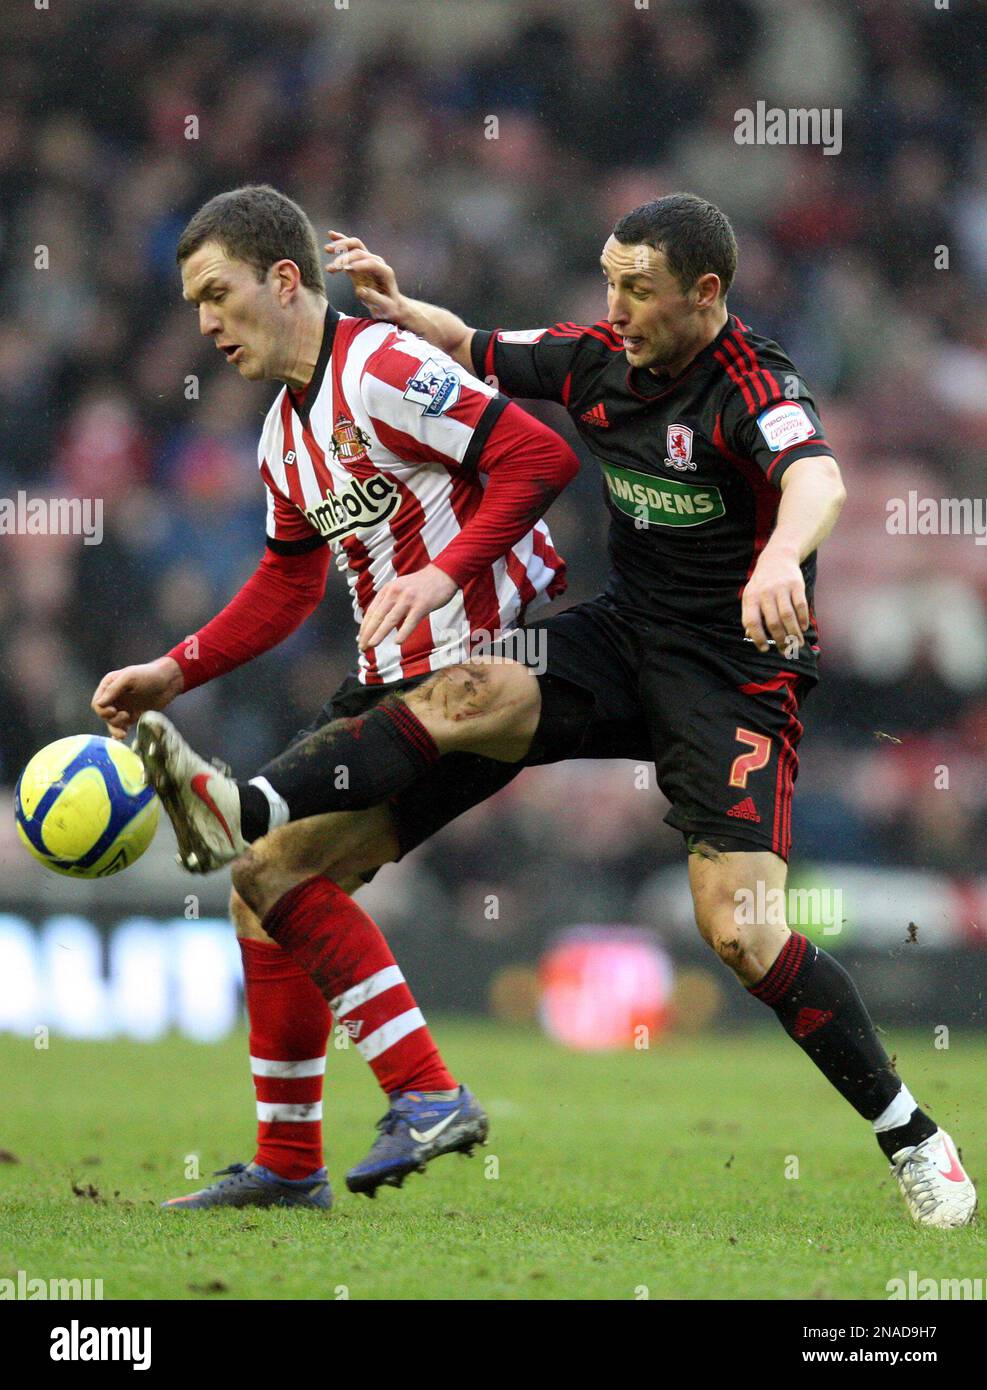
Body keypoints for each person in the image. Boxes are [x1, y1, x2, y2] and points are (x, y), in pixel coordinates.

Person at [137, 192, 976, 1229]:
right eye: (609, 279)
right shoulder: (596, 357)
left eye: (638, 288)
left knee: (744, 933)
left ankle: (910, 1132)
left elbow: (817, 482)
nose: (614, 305)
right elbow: (480, 349)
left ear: (705, 295)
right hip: (624, 639)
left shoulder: (754, 385)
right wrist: (409, 306)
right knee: (466, 691)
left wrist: (774, 556)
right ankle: (248, 807)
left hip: (735, 674)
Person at [91, 183, 584, 1208]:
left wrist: (443, 574)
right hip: (394, 676)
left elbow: (541, 455)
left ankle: (423, 1094)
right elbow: (287, 584)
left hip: (479, 667)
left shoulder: (384, 365)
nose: (206, 323)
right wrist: (172, 670)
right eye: (193, 305)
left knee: (255, 845)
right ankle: (291, 1162)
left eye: (217, 294)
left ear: (284, 278)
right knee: (259, 886)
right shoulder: (281, 436)